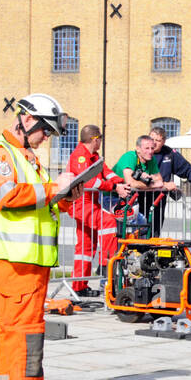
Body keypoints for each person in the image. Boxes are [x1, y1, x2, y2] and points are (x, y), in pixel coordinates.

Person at [0, 94, 78, 380]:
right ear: (28, 120)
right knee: (27, 332)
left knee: (10, 330)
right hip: (16, 259)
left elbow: (38, 199)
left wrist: (63, 193)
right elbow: (9, 196)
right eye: (45, 131)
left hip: (25, 259)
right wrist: (52, 188)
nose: (46, 138)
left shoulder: (25, 156)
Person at [67, 125, 127, 296]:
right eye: (100, 138)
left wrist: (121, 182)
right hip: (81, 203)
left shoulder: (94, 157)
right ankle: (105, 265)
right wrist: (115, 187)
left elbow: (107, 173)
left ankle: (78, 287)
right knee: (108, 222)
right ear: (94, 139)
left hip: (90, 202)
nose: (101, 141)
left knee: (86, 247)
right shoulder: (80, 157)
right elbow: (90, 183)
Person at [145, 125, 191, 236]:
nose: (154, 143)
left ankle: (151, 251)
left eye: (158, 140)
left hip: (159, 198)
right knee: (140, 228)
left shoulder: (169, 153)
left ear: (164, 141)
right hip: (141, 196)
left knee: (155, 230)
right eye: (152, 139)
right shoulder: (142, 151)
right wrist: (163, 184)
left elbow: (186, 168)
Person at [113, 135, 169, 234]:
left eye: (152, 148)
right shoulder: (129, 157)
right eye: (147, 148)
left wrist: (150, 179)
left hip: (126, 198)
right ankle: (120, 248)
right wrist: (153, 184)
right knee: (123, 227)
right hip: (111, 197)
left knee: (141, 223)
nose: (150, 151)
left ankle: (138, 248)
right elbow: (131, 183)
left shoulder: (151, 159)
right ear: (138, 149)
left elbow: (159, 179)